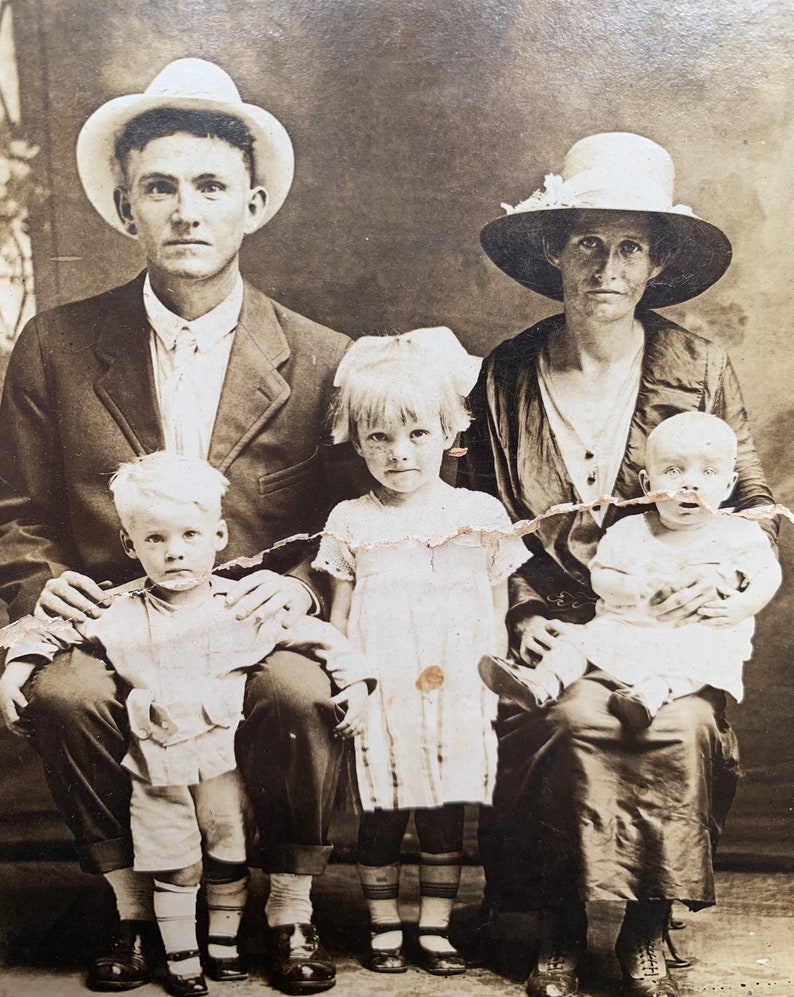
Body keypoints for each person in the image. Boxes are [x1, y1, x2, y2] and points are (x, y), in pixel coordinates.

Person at [0, 58, 363, 994]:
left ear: (253, 202)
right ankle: (128, 907)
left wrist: (309, 583)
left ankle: (289, 907)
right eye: (159, 188)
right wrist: (39, 581)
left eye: (210, 187)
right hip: (118, 618)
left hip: (248, 616)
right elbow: (14, 507)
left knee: (298, 691)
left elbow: (347, 514)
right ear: (126, 209)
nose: (186, 211)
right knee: (68, 695)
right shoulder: (57, 344)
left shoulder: (321, 357)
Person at [463, 133, 778, 997]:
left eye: (629, 246)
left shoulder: (697, 364)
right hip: (553, 628)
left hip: (665, 625)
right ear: (555, 253)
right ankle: (561, 925)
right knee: (567, 721)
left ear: (656, 263)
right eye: (587, 244)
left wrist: (726, 578)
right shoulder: (508, 373)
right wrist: (524, 610)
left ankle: (645, 925)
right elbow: (481, 516)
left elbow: (753, 501)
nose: (606, 267)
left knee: (675, 728)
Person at [1, 453, 373, 997]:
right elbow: (51, 633)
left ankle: (228, 948)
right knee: (172, 858)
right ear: (130, 546)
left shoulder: (239, 606)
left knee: (227, 852)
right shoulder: (119, 609)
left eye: (190, 535)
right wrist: (16, 667)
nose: (174, 551)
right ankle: (174, 955)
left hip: (220, 766)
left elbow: (318, 639)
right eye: (154, 539)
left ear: (220, 535)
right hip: (155, 766)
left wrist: (357, 684)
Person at [312, 329, 529, 976]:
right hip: (385, 692)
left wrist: (485, 682)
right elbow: (343, 614)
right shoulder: (351, 518)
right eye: (378, 437)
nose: (399, 452)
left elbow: (496, 609)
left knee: (443, 821)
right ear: (356, 439)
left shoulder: (480, 512)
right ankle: (384, 925)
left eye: (416, 434)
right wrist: (351, 683)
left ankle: (434, 928)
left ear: (450, 431)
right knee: (381, 818)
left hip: (456, 689)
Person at [480, 412, 782, 728]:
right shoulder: (630, 530)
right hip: (628, 628)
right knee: (579, 641)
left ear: (729, 483)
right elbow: (602, 576)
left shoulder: (738, 533)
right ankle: (540, 684)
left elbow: (767, 572)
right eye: (673, 470)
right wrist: (636, 589)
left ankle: (649, 696)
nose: (690, 483)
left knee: (700, 656)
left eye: (708, 472)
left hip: (696, 632)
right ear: (647, 483)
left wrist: (743, 605)